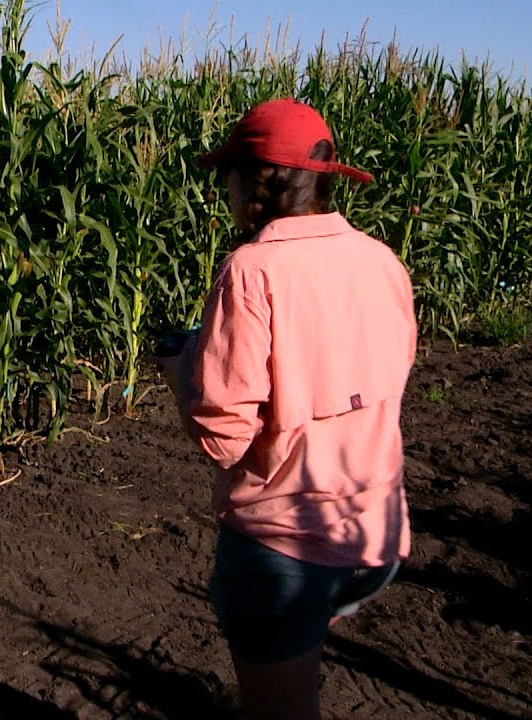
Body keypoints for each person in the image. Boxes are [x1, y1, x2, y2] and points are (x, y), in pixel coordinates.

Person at [158, 98, 418, 720]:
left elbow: (223, 437)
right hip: (374, 535)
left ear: (256, 180)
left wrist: (181, 374)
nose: (224, 185)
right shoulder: (382, 261)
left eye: (230, 173)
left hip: (286, 547)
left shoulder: (251, 271)